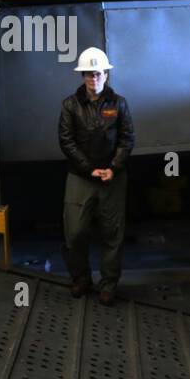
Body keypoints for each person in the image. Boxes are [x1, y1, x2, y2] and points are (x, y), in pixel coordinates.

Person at [58, 47, 136, 305]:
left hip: (112, 178)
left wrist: (113, 167)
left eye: (98, 74)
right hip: (81, 177)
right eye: (89, 75)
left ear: (106, 75)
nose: (94, 79)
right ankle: (81, 278)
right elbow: (66, 141)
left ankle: (108, 284)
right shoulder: (70, 105)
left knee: (112, 234)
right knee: (75, 232)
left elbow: (127, 139)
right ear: (82, 77)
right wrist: (89, 169)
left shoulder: (119, 104)